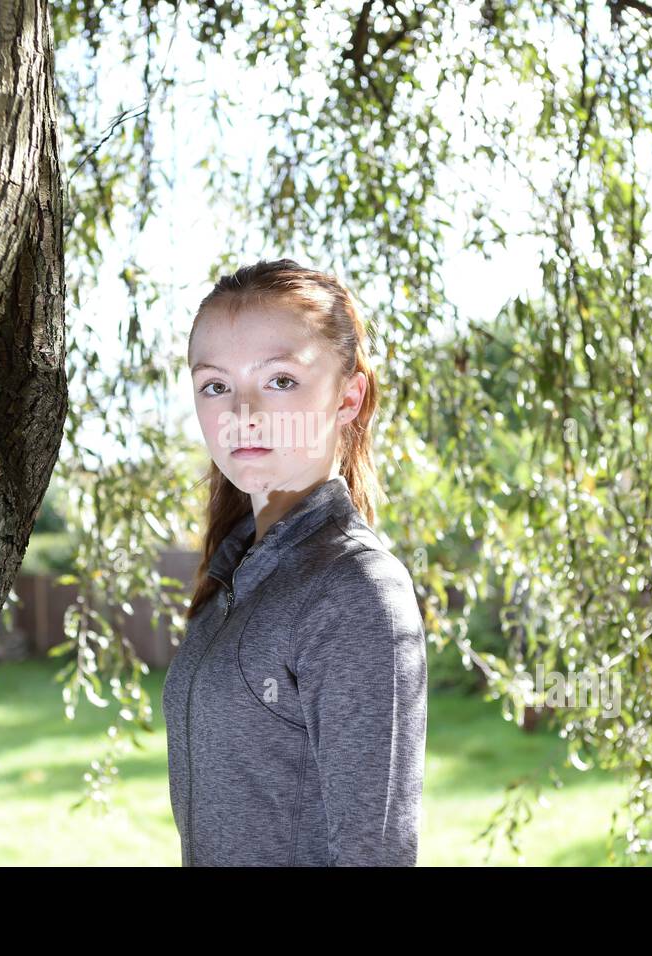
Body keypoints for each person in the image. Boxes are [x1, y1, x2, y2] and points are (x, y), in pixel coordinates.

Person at [162, 257, 428, 866]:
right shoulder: (232, 576)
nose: (241, 411)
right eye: (215, 385)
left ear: (349, 395)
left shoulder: (358, 591)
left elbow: (375, 855)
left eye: (280, 379)